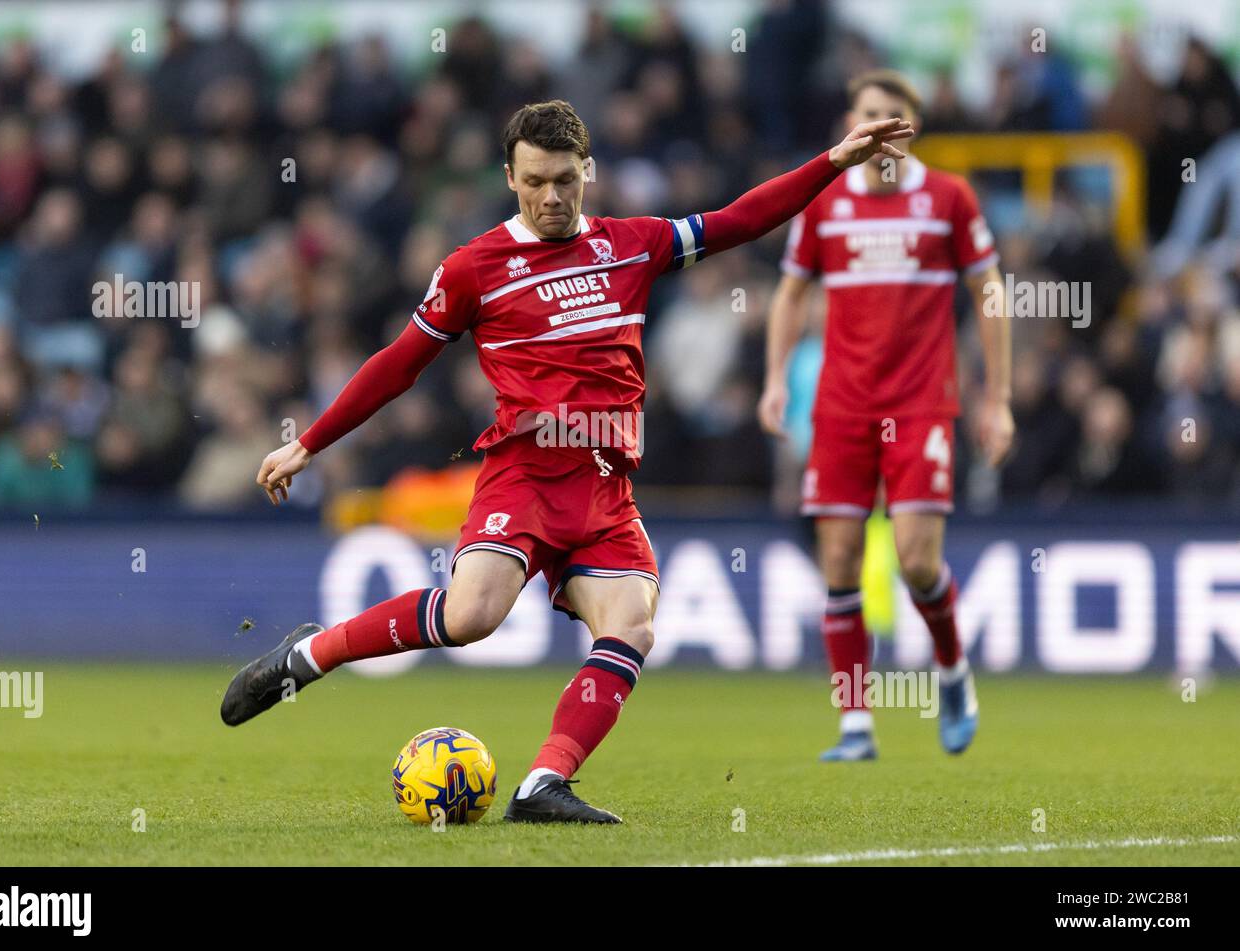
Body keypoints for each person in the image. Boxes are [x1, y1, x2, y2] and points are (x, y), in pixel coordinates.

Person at [222, 99, 912, 821]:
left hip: (607, 488)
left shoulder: (634, 244)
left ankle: (542, 783)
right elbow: (399, 364)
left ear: (588, 171)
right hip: (525, 474)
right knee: (472, 616)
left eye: (564, 180)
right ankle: (310, 656)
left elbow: (740, 219)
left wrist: (833, 162)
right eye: (533, 182)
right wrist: (308, 442)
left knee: (633, 624)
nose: (550, 197)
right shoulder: (473, 269)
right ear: (510, 177)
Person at [759, 71, 1013, 761]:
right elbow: (789, 294)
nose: (877, 127)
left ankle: (953, 671)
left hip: (922, 402)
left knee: (915, 559)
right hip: (841, 406)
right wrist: (777, 380)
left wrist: (998, 398)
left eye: (891, 117)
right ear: (851, 119)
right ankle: (855, 725)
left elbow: (990, 292)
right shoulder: (826, 202)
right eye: (867, 114)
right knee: (838, 560)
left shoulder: (947, 199)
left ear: (912, 128)